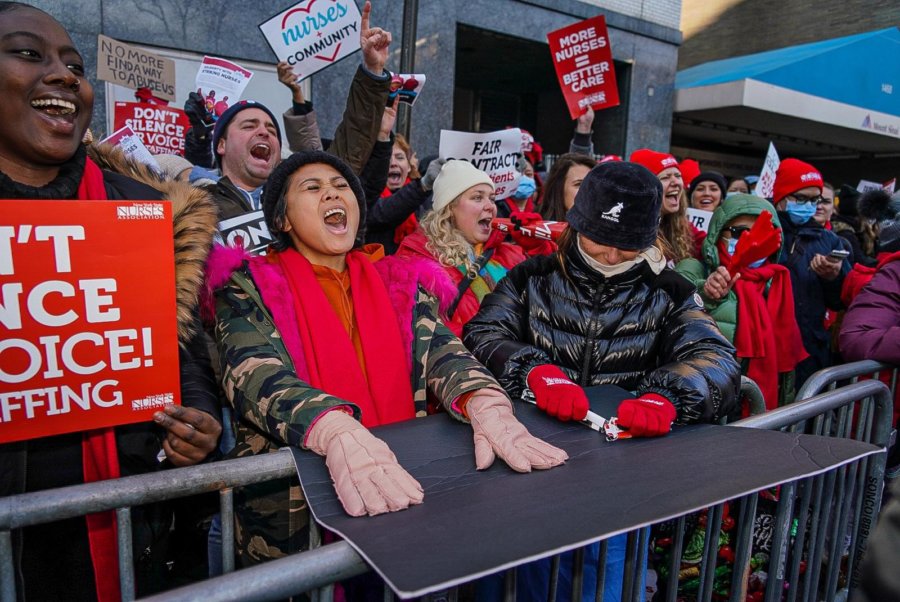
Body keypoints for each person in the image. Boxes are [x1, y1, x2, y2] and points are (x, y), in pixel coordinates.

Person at [207, 150, 568, 568]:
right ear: (283, 219)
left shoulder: (399, 281)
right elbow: (252, 374)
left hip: (408, 490)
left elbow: (443, 352)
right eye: (313, 187)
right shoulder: (246, 287)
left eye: (341, 186)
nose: (332, 193)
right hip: (293, 519)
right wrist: (334, 428)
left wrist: (483, 398)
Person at [0, 3, 221, 599]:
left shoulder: (145, 213)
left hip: (123, 536)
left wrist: (197, 422)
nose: (65, 76)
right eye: (28, 54)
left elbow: (180, 352)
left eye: (74, 64)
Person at [464, 161, 741, 601]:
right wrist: (535, 372)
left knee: (604, 581)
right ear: (577, 225)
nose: (611, 256)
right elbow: (483, 334)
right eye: (600, 241)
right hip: (530, 466)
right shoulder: (531, 277)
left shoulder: (668, 291)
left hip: (618, 479)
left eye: (626, 247)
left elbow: (715, 358)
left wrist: (665, 398)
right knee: (520, 579)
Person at [676, 194, 808, 410]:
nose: (751, 239)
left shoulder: (778, 282)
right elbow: (681, 300)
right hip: (705, 402)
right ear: (719, 232)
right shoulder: (693, 268)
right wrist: (708, 293)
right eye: (739, 232)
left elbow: (785, 366)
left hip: (758, 406)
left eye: (761, 233)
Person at [395, 160, 529, 336]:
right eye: (477, 197)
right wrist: (484, 340)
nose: (490, 206)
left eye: (492, 198)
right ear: (450, 208)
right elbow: (425, 332)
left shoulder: (508, 253)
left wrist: (537, 247)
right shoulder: (417, 260)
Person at [771, 158, 850, 388]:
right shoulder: (764, 230)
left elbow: (839, 301)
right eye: (801, 198)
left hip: (810, 347)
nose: (809, 206)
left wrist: (833, 277)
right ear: (781, 198)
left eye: (814, 199)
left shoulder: (830, 240)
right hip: (769, 342)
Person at [630, 149, 700, 263]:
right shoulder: (630, 230)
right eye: (665, 177)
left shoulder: (684, 227)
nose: (676, 182)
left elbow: (708, 243)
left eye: (678, 175)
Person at [538, 152, 597, 222]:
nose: (588, 191)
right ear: (558, 189)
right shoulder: (533, 229)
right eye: (579, 184)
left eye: (592, 185)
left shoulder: (605, 229)